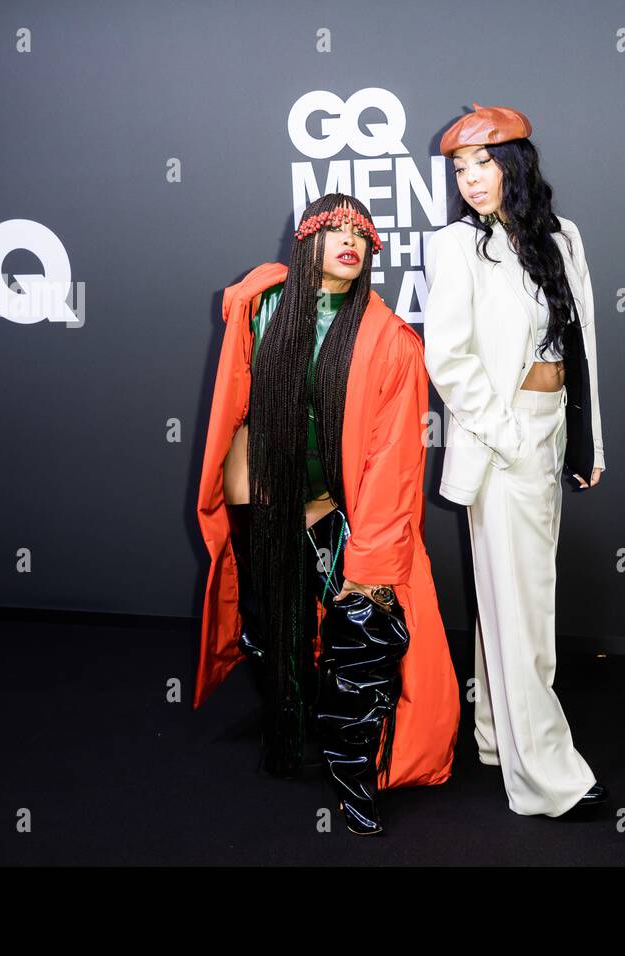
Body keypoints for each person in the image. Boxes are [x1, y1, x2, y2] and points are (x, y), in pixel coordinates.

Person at [194, 193, 459, 835]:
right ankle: (289, 733)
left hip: (337, 505)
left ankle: (353, 773)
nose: (349, 239)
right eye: (332, 228)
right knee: (272, 629)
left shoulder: (391, 340)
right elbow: (237, 382)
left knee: (362, 638)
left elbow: (395, 457)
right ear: (305, 241)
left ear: (373, 252)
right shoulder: (264, 308)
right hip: (263, 502)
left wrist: (371, 552)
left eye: (361, 233)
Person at [423, 103, 609, 818]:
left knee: (511, 597)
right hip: (505, 441)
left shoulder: (562, 238)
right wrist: (506, 434)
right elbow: (449, 358)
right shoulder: (454, 246)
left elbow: (584, 344)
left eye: (485, 162)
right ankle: (548, 781)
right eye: (461, 168)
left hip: (552, 425)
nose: (471, 179)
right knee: (526, 607)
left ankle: (498, 736)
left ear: (518, 163)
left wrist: (588, 440)